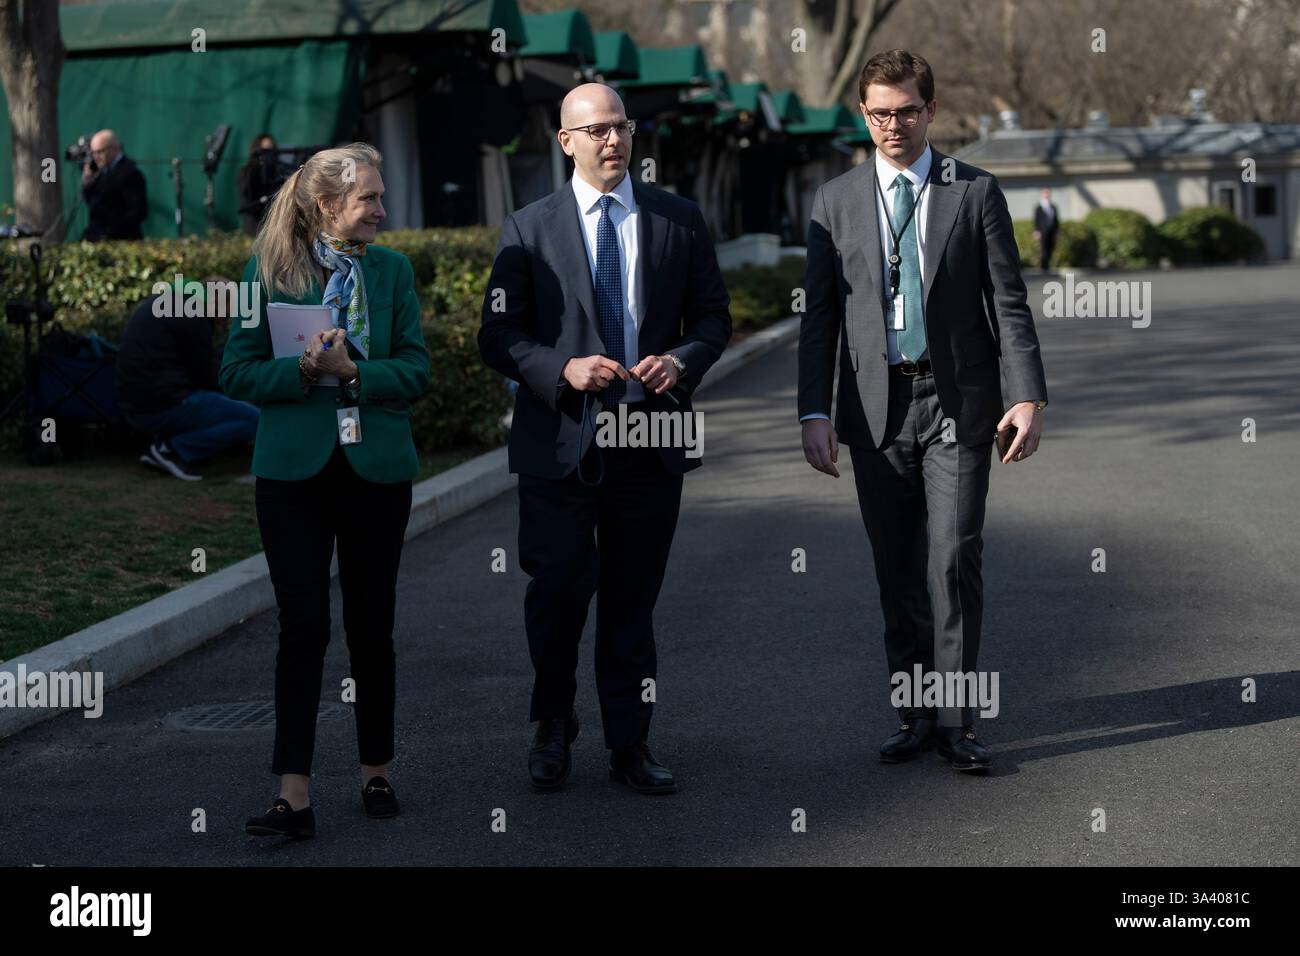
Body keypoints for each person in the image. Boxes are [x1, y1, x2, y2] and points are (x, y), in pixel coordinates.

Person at [798, 50, 1049, 772]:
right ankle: (914, 714)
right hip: (876, 409)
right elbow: (820, 320)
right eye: (879, 112)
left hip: (958, 404)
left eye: (907, 110)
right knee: (898, 570)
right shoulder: (836, 201)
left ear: (931, 111)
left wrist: (1026, 393)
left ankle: (958, 722)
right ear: (864, 115)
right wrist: (814, 411)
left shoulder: (973, 192)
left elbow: (1008, 302)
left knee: (953, 557)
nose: (893, 125)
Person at [478, 83, 731, 796]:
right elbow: (497, 338)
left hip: (650, 433)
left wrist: (681, 360)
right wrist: (562, 367)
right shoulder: (528, 229)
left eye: (621, 127)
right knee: (558, 590)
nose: (613, 140)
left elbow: (714, 319)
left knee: (631, 600)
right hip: (561, 439)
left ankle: (631, 742)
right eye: (596, 130)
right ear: (567, 142)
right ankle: (553, 723)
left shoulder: (678, 220)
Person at [221, 142, 431, 838]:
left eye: (379, 195)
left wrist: (353, 376)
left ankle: (376, 771)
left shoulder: (394, 272)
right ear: (326, 206)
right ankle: (294, 795)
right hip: (293, 477)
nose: (380, 209)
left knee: (372, 627)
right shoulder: (271, 270)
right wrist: (305, 374)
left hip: (375, 472)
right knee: (302, 627)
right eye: (368, 198)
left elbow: (416, 372)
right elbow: (238, 373)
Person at [117, 277, 259, 480]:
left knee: (238, 410)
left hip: (138, 403)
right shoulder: (193, 316)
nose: (229, 318)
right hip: (164, 405)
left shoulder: (174, 303)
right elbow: (207, 375)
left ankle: (169, 445)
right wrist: (247, 390)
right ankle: (173, 450)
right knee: (255, 419)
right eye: (230, 309)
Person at [81, 130, 147, 241]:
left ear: (115, 149)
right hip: (98, 239)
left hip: (121, 242)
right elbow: (93, 202)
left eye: (100, 152)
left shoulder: (129, 173)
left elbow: (138, 211)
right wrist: (87, 182)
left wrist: (109, 232)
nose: (95, 157)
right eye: (93, 153)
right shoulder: (100, 172)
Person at [237, 133, 284, 237]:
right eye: (265, 151)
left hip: (275, 231)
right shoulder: (248, 172)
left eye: (272, 151)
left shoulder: (278, 172)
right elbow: (248, 202)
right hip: (256, 230)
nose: (269, 155)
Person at [1033, 187, 1060, 271]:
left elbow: (1056, 219)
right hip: (1042, 231)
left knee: (1051, 247)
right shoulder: (1038, 207)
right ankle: (1043, 266)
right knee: (1043, 248)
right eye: (1045, 193)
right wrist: (1036, 231)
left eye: (1048, 193)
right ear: (1042, 194)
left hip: (1051, 230)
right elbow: (1036, 220)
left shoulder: (1053, 206)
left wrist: (1057, 230)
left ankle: (1048, 264)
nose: (1046, 195)